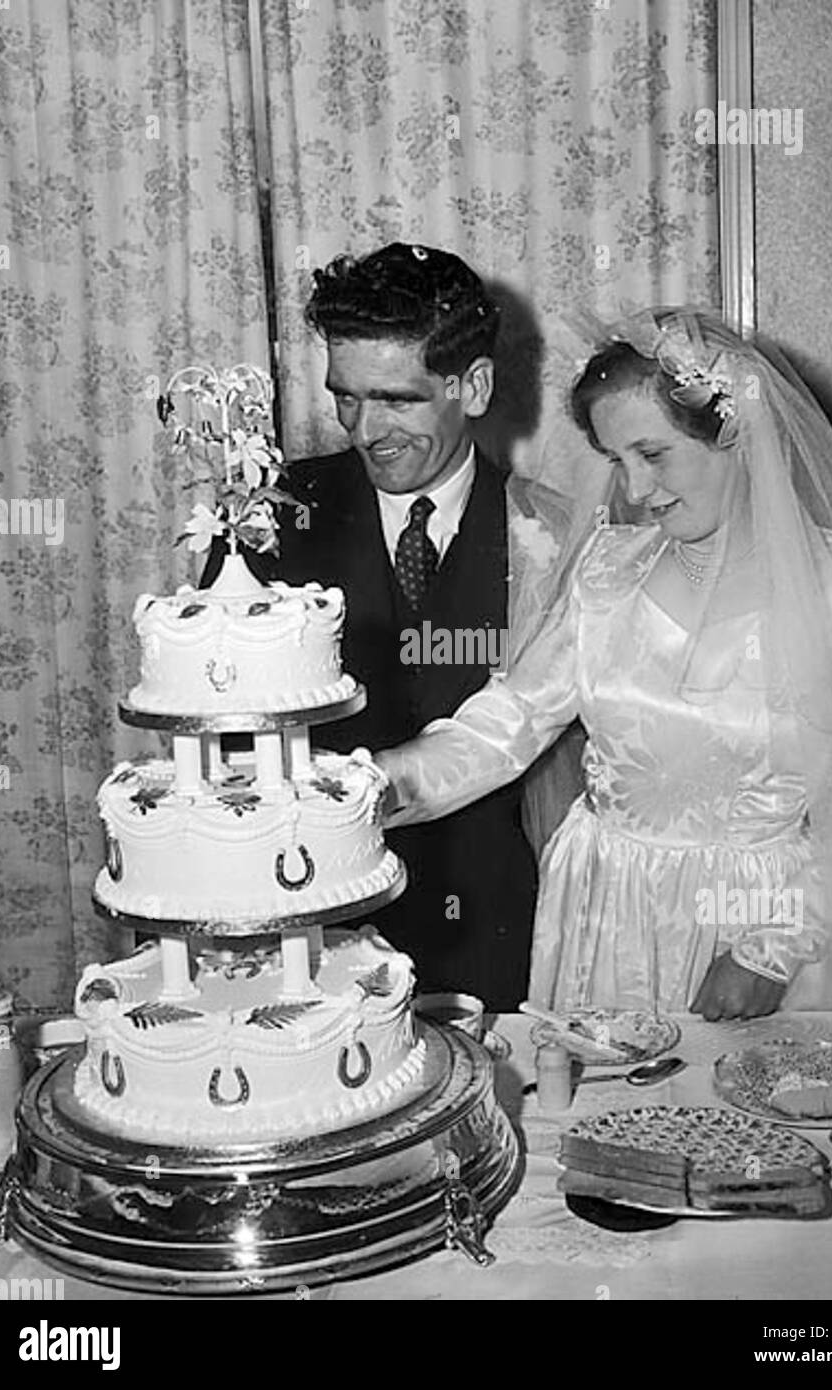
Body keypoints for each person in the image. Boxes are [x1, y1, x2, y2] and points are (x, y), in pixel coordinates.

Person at [377, 308, 832, 1019]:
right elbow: (509, 721)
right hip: (605, 916)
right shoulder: (607, 572)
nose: (635, 491)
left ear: (735, 431)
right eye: (618, 461)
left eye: (655, 454)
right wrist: (380, 783)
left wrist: (768, 950)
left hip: (763, 926)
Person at [203, 242, 538, 1011]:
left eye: (396, 399)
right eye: (345, 397)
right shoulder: (265, 518)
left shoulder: (544, 531)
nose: (363, 428)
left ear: (475, 386)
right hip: (308, 934)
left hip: (490, 941)